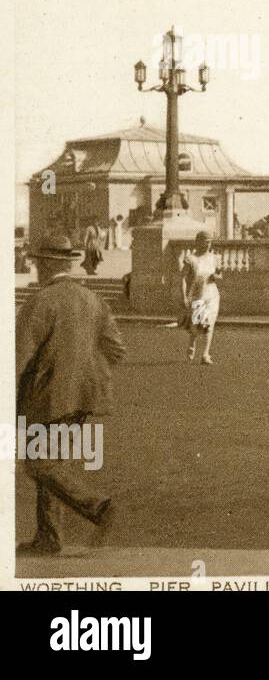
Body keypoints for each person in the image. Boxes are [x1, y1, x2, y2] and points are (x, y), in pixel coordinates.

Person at [15, 234, 125, 555]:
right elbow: (116, 349)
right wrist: (82, 367)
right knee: (53, 461)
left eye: (37, 263)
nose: (34, 268)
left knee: (40, 466)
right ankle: (49, 538)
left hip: (47, 396)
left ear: (48, 265)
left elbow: (18, 357)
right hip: (83, 398)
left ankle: (100, 507)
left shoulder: (39, 302)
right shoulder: (94, 300)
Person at [181, 230, 223, 365]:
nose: (207, 244)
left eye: (209, 242)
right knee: (196, 327)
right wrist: (184, 297)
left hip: (212, 295)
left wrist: (216, 277)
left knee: (209, 325)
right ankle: (192, 344)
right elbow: (182, 278)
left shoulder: (215, 258)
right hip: (197, 295)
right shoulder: (191, 259)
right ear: (198, 242)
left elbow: (220, 275)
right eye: (205, 241)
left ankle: (205, 354)